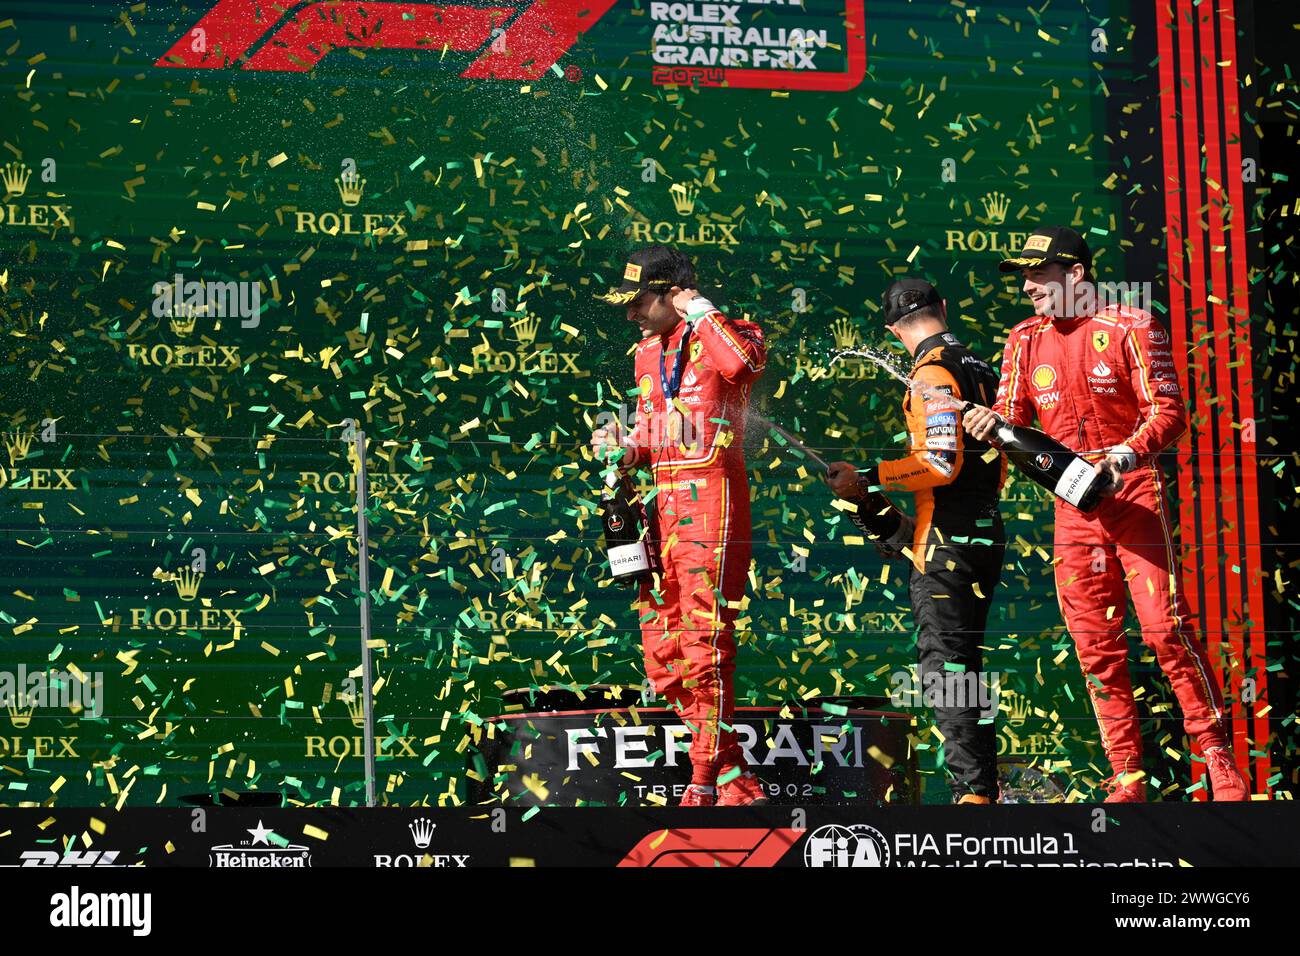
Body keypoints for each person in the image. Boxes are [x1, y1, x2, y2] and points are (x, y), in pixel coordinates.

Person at [963, 225, 1249, 802]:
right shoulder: (1023, 339)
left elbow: (1169, 410)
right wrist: (986, 425)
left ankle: (1217, 758)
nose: (1027, 287)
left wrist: (1126, 454)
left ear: (1076, 275)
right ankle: (1127, 775)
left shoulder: (1132, 325)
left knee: (1165, 629)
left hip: (1133, 491)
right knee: (1095, 642)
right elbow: (1010, 414)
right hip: (1071, 503)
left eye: (1038, 275)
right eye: (1023, 277)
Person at [589, 246, 767, 807]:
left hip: (713, 500)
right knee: (661, 654)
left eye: (638, 301)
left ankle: (703, 780)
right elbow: (651, 433)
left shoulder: (730, 331)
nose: (630, 313)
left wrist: (702, 311)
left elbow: (742, 367)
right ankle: (736, 777)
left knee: (704, 644)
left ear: (673, 293)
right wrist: (625, 450)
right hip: (660, 507)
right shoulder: (646, 352)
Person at [826, 278, 1007, 804]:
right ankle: (983, 788)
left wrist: (868, 477)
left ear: (891, 329)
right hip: (981, 532)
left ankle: (973, 796)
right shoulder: (979, 366)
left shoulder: (929, 372)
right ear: (942, 309)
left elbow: (938, 464)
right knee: (963, 665)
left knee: (945, 668)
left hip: (947, 542)